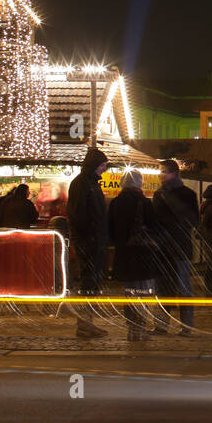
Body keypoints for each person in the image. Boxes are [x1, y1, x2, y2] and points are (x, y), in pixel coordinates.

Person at [107, 170, 158, 341]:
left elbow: (110, 230)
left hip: (124, 253)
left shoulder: (115, 203)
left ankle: (131, 329)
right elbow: (154, 227)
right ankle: (140, 328)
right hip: (143, 253)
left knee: (129, 292)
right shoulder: (144, 202)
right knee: (143, 292)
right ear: (138, 183)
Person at [66, 146, 110, 338]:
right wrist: (89, 236)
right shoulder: (82, 184)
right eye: (102, 165)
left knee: (92, 283)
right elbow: (78, 213)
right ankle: (84, 323)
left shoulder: (91, 182)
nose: (103, 169)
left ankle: (88, 322)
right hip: (88, 240)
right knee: (88, 282)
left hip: (94, 239)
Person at [151, 158, 199, 333]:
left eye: (164, 171)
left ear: (174, 173)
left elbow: (193, 221)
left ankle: (186, 326)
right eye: (160, 171)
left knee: (183, 286)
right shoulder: (158, 194)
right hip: (163, 248)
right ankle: (161, 325)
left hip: (179, 247)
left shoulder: (186, 194)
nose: (161, 175)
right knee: (162, 287)